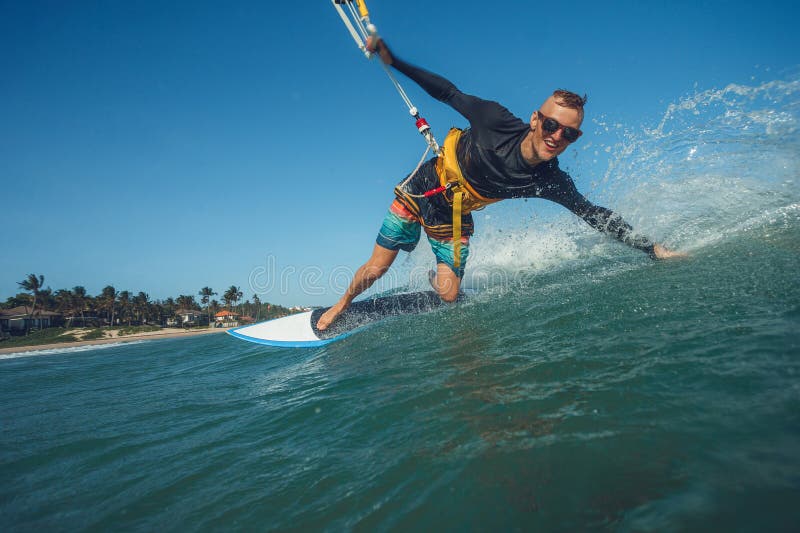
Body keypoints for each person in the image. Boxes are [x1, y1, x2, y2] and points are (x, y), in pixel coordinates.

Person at [317, 38, 684, 330]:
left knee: (448, 296)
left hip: (454, 215)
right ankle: (341, 305)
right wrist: (392, 59)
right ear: (535, 119)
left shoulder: (550, 180)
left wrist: (651, 249)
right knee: (378, 267)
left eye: (569, 133)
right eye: (552, 125)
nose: (557, 136)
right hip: (422, 187)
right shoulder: (494, 120)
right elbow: (447, 91)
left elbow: (594, 214)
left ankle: (436, 277)